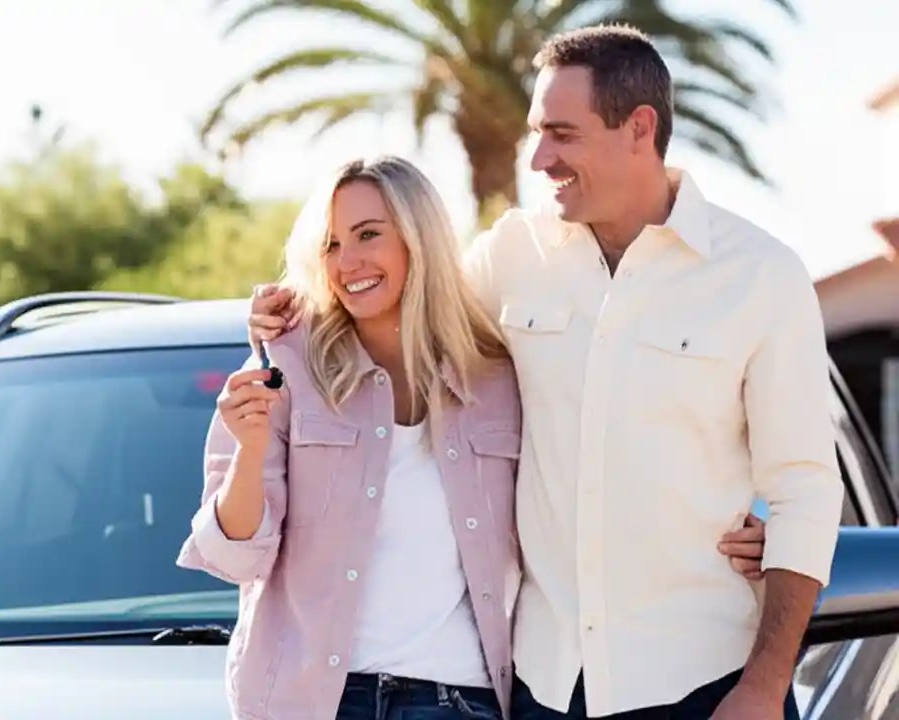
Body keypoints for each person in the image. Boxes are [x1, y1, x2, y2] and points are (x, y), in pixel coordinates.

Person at [244, 25, 837, 720]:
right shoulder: (511, 258)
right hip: (545, 692)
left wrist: (764, 687)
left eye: (561, 134)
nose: (538, 158)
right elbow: (402, 316)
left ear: (639, 128)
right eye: (536, 133)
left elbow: (803, 489)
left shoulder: (760, 275)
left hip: (706, 685)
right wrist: (289, 311)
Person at [178, 155, 767, 720]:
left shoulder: (496, 375)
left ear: (418, 238)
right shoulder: (285, 363)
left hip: (457, 698)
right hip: (313, 700)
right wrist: (249, 450)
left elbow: (584, 477)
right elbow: (234, 555)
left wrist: (722, 530)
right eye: (330, 244)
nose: (347, 260)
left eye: (367, 235)